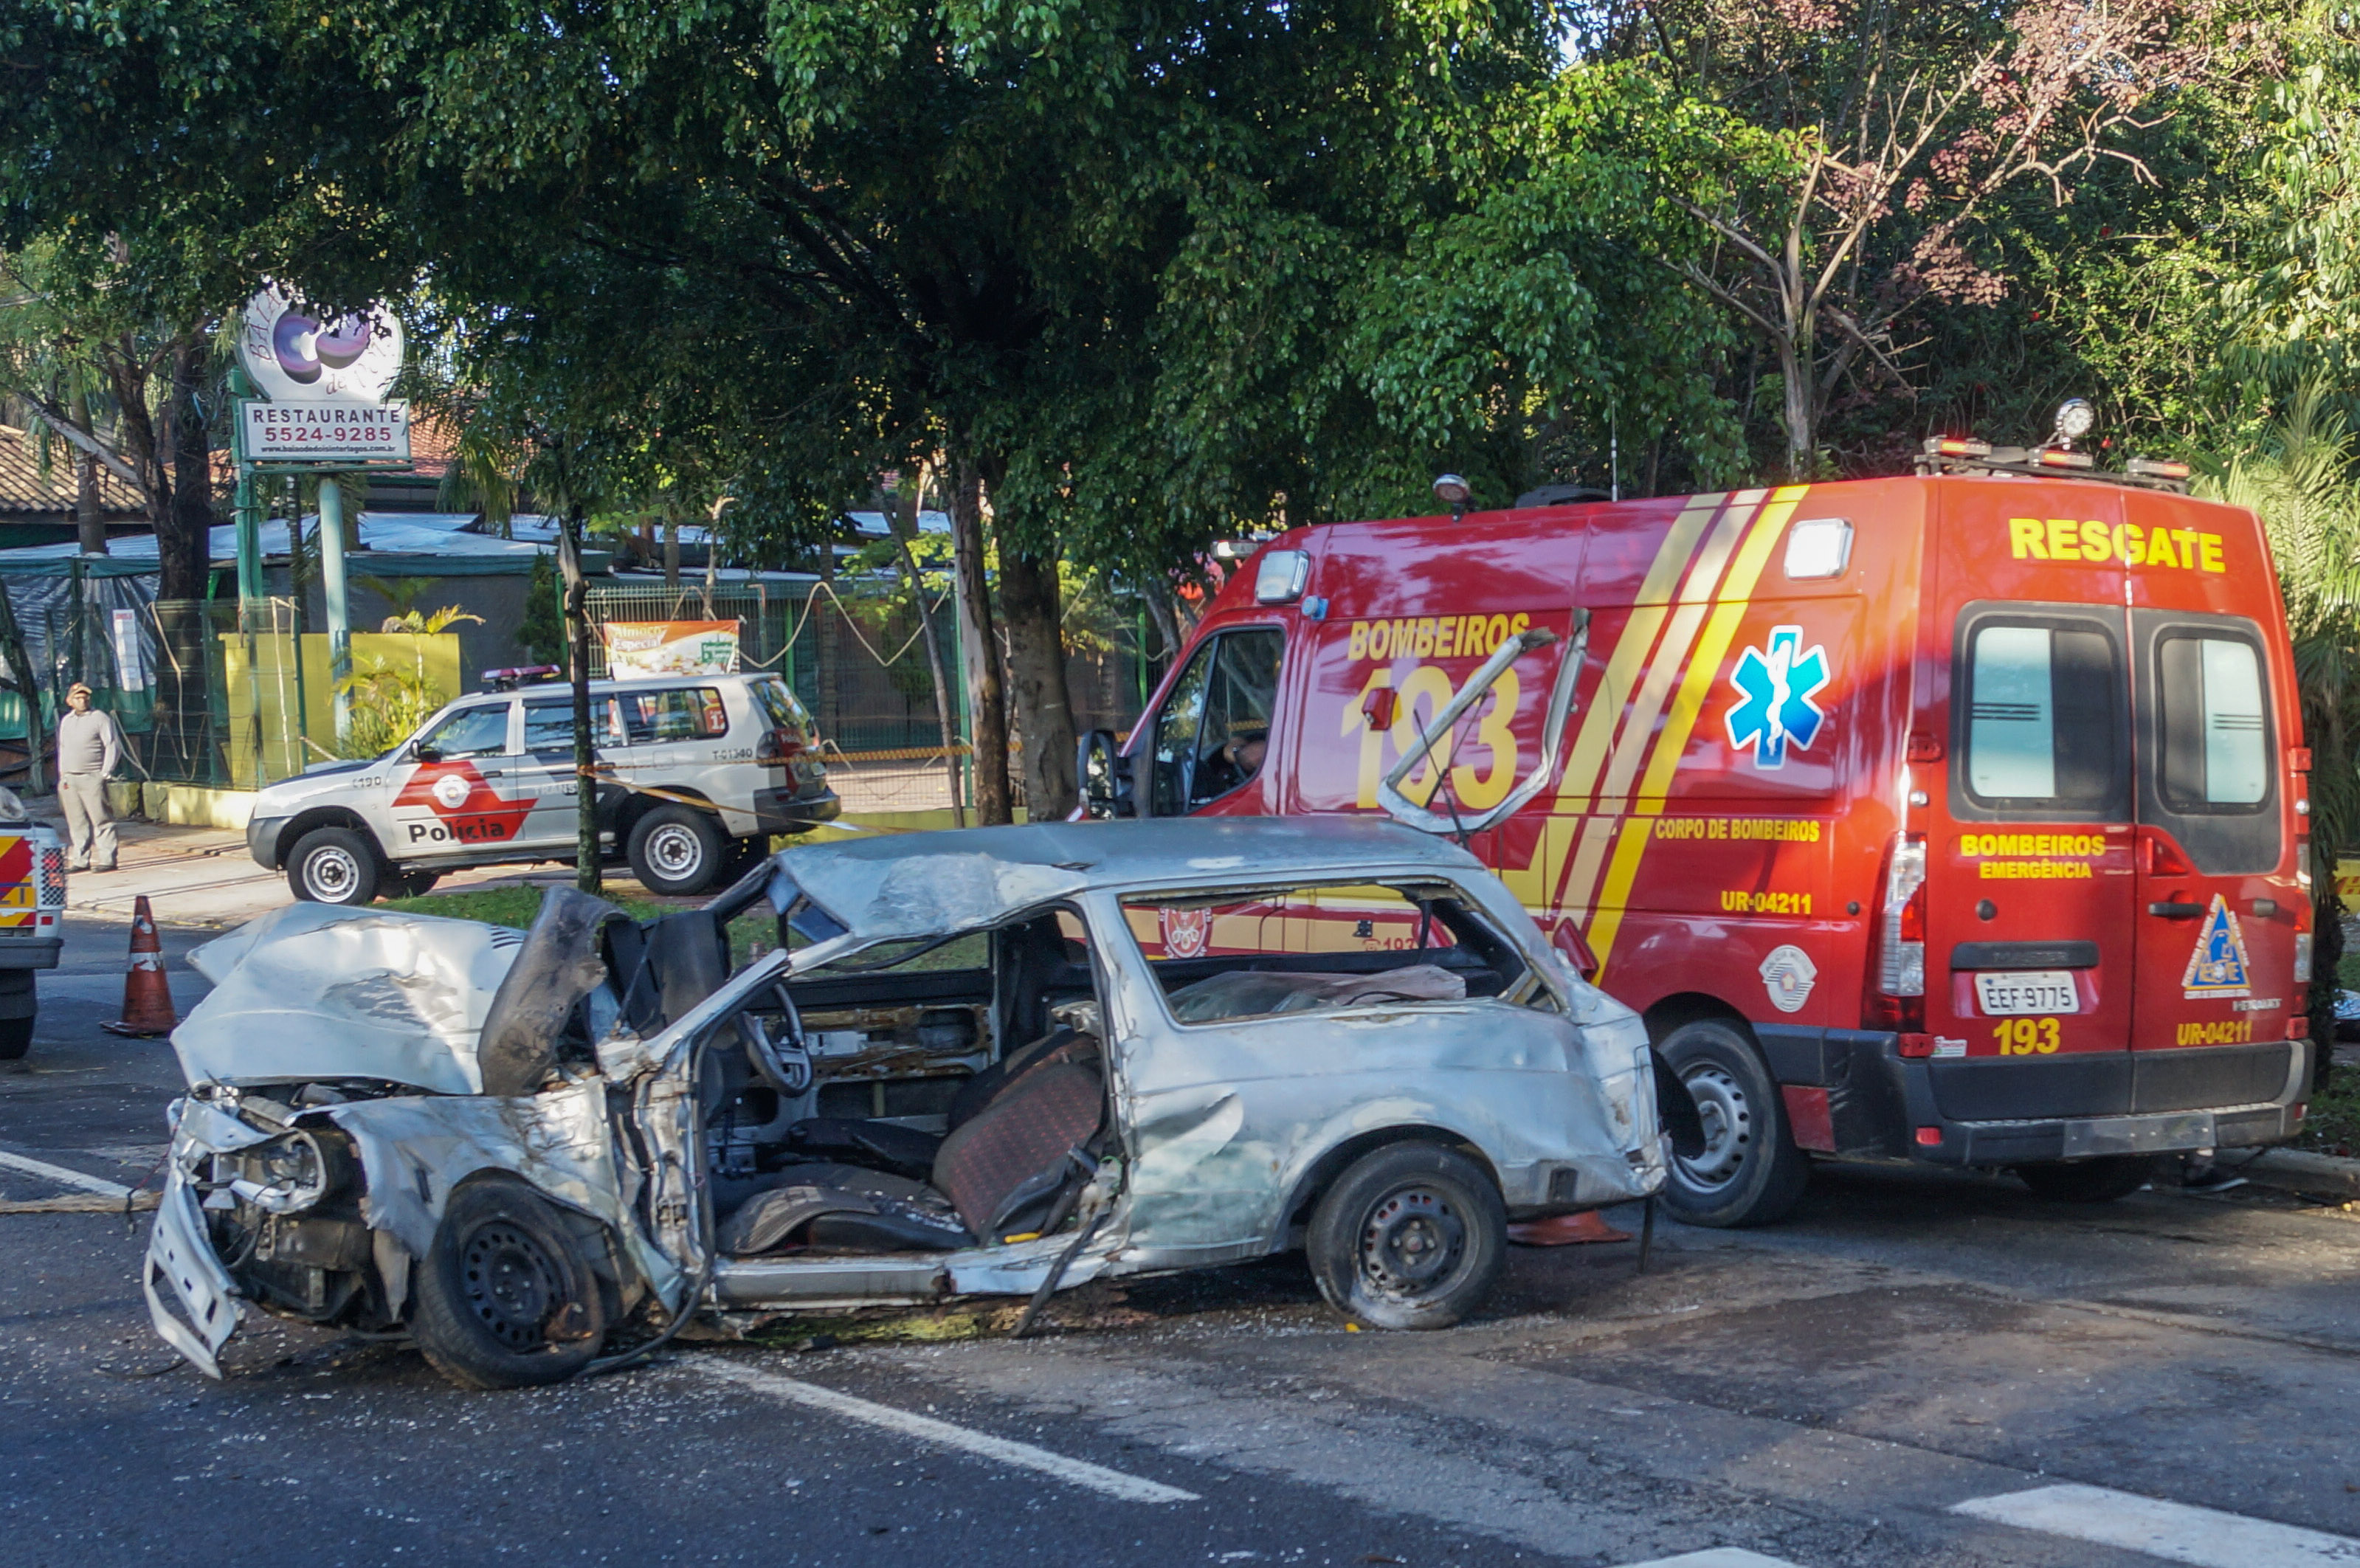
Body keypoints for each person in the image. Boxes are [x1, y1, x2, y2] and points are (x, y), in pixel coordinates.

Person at [56, 683, 122, 873]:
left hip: (92, 777)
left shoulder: (100, 718)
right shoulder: (66, 721)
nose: (83, 700)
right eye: (78, 697)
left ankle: (107, 860)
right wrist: (63, 775)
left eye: (85, 697)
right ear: (69, 701)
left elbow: (112, 745)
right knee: (76, 822)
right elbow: (62, 748)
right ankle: (80, 860)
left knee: (102, 820)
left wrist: (105, 773)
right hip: (70, 779)